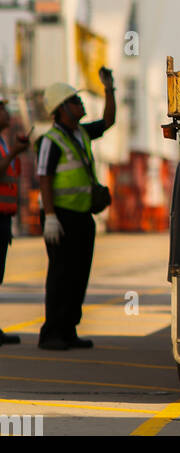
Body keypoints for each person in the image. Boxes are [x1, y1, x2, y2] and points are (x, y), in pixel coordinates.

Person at [36, 71, 115, 351]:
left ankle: (68, 330)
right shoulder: (50, 140)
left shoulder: (81, 133)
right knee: (60, 275)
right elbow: (43, 177)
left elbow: (108, 121)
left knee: (79, 274)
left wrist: (109, 90)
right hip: (60, 216)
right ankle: (51, 333)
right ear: (61, 109)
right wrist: (50, 218)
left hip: (82, 217)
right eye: (75, 101)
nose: (81, 105)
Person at [0, 95, 31, 346]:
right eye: (1, 108)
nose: (6, 112)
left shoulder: (3, 141)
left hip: (3, 217)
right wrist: (15, 154)